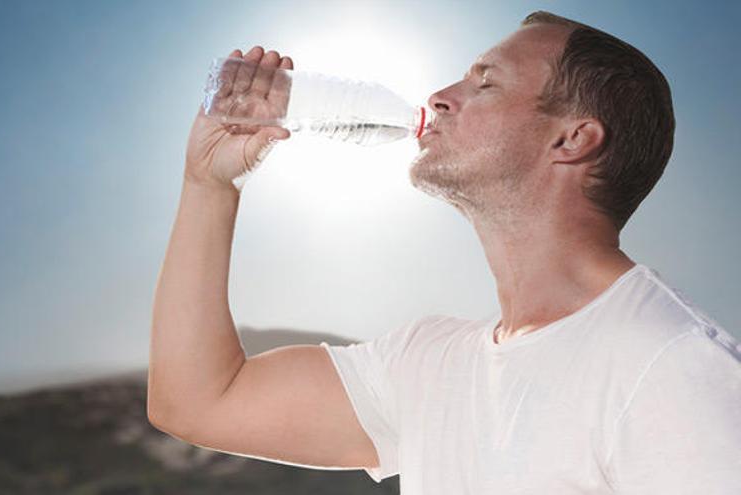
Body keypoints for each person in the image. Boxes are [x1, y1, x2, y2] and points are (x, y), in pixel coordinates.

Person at [146, 10, 741, 494]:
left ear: (573, 138)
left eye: (486, 82)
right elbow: (199, 402)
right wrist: (209, 186)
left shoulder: (675, 369)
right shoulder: (428, 362)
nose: (441, 96)